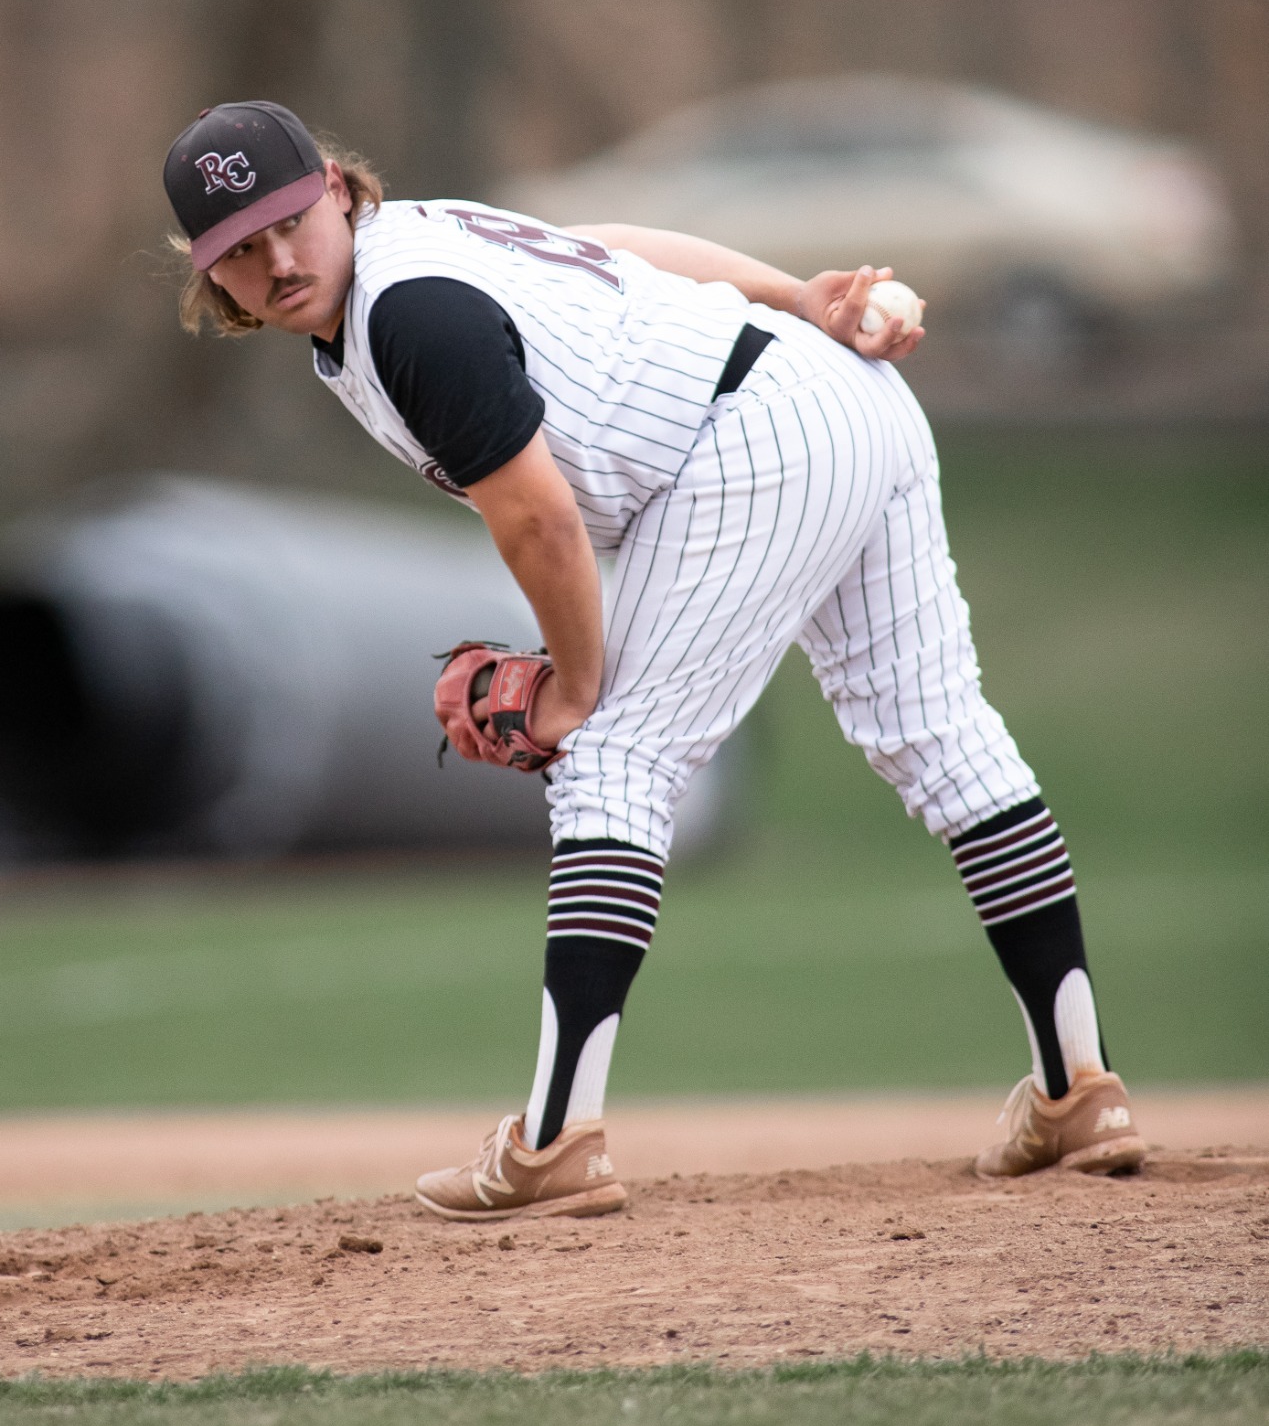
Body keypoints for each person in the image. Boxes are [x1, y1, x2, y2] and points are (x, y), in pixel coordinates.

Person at [163, 99, 1146, 1220]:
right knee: (939, 734)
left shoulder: (407, 314)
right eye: (241, 248)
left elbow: (541, 522)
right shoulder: (419, 243)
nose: (279, 257)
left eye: (290, 218)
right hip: (837, 403)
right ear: (207, 273)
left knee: (614, 758)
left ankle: (552, 1140)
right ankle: (1078, 1087)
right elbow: (618, 250)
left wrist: (576, 690)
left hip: (749, 438)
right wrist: (792, 295)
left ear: (336, 186)